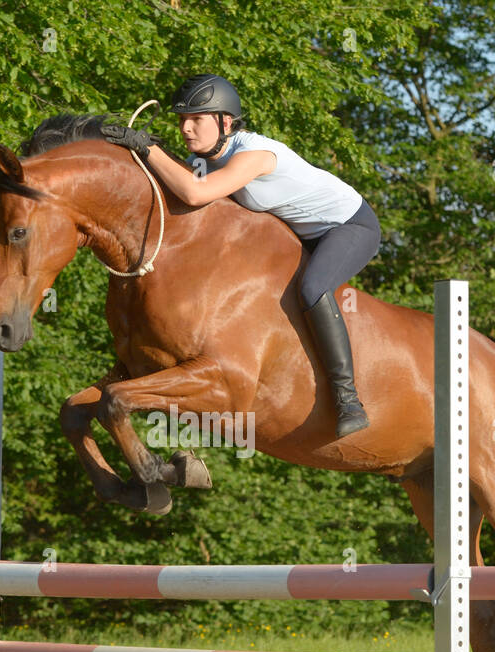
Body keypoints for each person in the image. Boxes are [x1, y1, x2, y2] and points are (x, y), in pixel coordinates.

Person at [101, 74, 380, 438]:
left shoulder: (255, 154)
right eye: (182, 119)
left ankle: (348, 398)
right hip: (297, 235)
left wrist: (150, 151)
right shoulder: (199, 159)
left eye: (196, 119)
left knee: (311, 289)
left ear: (225, 122)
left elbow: (197, 194)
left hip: (347, 226)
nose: (186, 128)